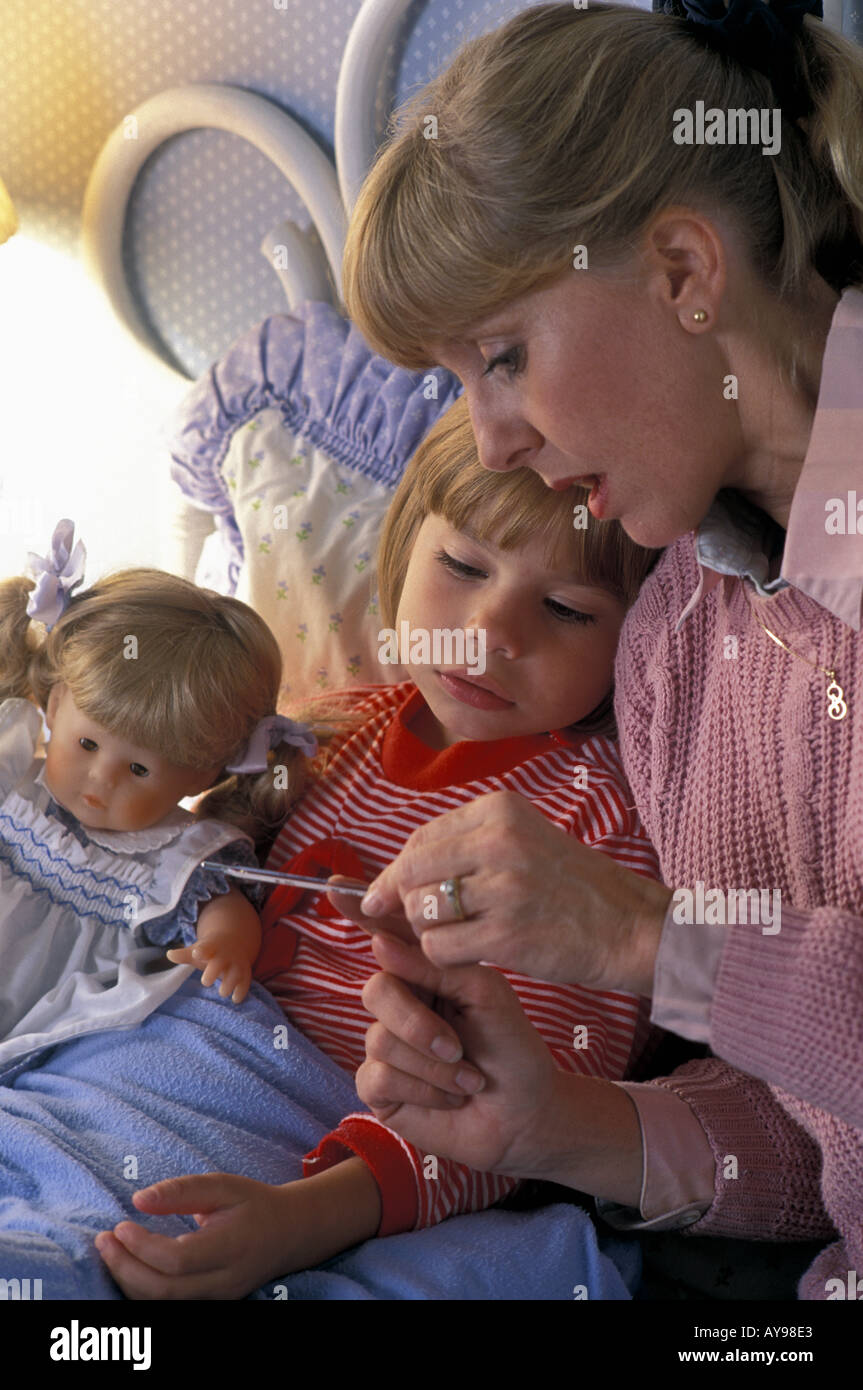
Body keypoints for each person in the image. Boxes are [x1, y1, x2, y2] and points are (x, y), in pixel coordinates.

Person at [330, 0, 863, 1300]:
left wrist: (643, 935)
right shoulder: (678, 643)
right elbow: (817, 1146)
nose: (493, 439)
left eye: (502, 355)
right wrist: (553, 1124)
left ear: (682, 271)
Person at [94, 391, 663, 1297]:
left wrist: (311, 1214)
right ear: (402, 550)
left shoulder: (600, 823)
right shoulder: (316, 738)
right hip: (171, 1049)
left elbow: (530, 1116)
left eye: (563, 609)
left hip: (355, 1150)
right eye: (463, 566)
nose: (488, 634)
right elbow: (162, 860)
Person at [0, 520, 320, 1058]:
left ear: (202, 775)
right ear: (53, 704)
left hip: (61, 1024)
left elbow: (222, 909)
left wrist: (225, 947)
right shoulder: (13, 776)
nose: (102, 778)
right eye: (86, 744)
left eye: (141, 770)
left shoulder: (177, 853)